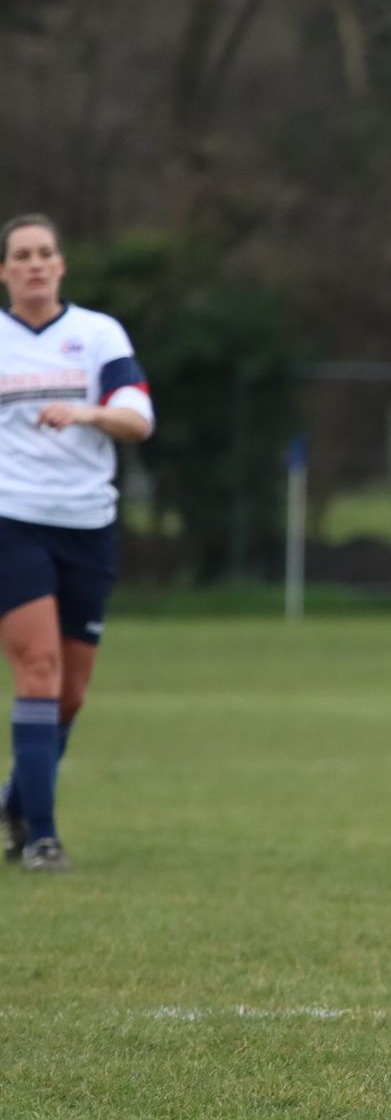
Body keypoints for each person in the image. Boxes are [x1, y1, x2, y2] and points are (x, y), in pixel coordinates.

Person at [0, 214, 155, 874]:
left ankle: (14, 801)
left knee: (69, 694)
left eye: (45, 253)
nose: (35, 264)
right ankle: (42, 837)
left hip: (88, 526)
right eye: (21, 255)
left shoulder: (97, 335)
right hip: (11, 521)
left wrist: (88, 411)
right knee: (38, 668)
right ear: (5, 271)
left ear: (61, 265)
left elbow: (138, 418)